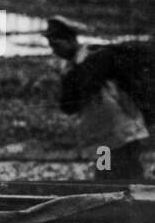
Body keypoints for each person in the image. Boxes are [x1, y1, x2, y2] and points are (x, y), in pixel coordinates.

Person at [47, 16, 153, 183]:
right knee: (105, 178)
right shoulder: (71, 67)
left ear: (70, 40)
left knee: (130, 178)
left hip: (121, 132)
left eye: (57, 45)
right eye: (52, 46)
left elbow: (81, 89)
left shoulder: (95, 58)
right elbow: (68, 104)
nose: (55, 51)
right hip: (101, 137)